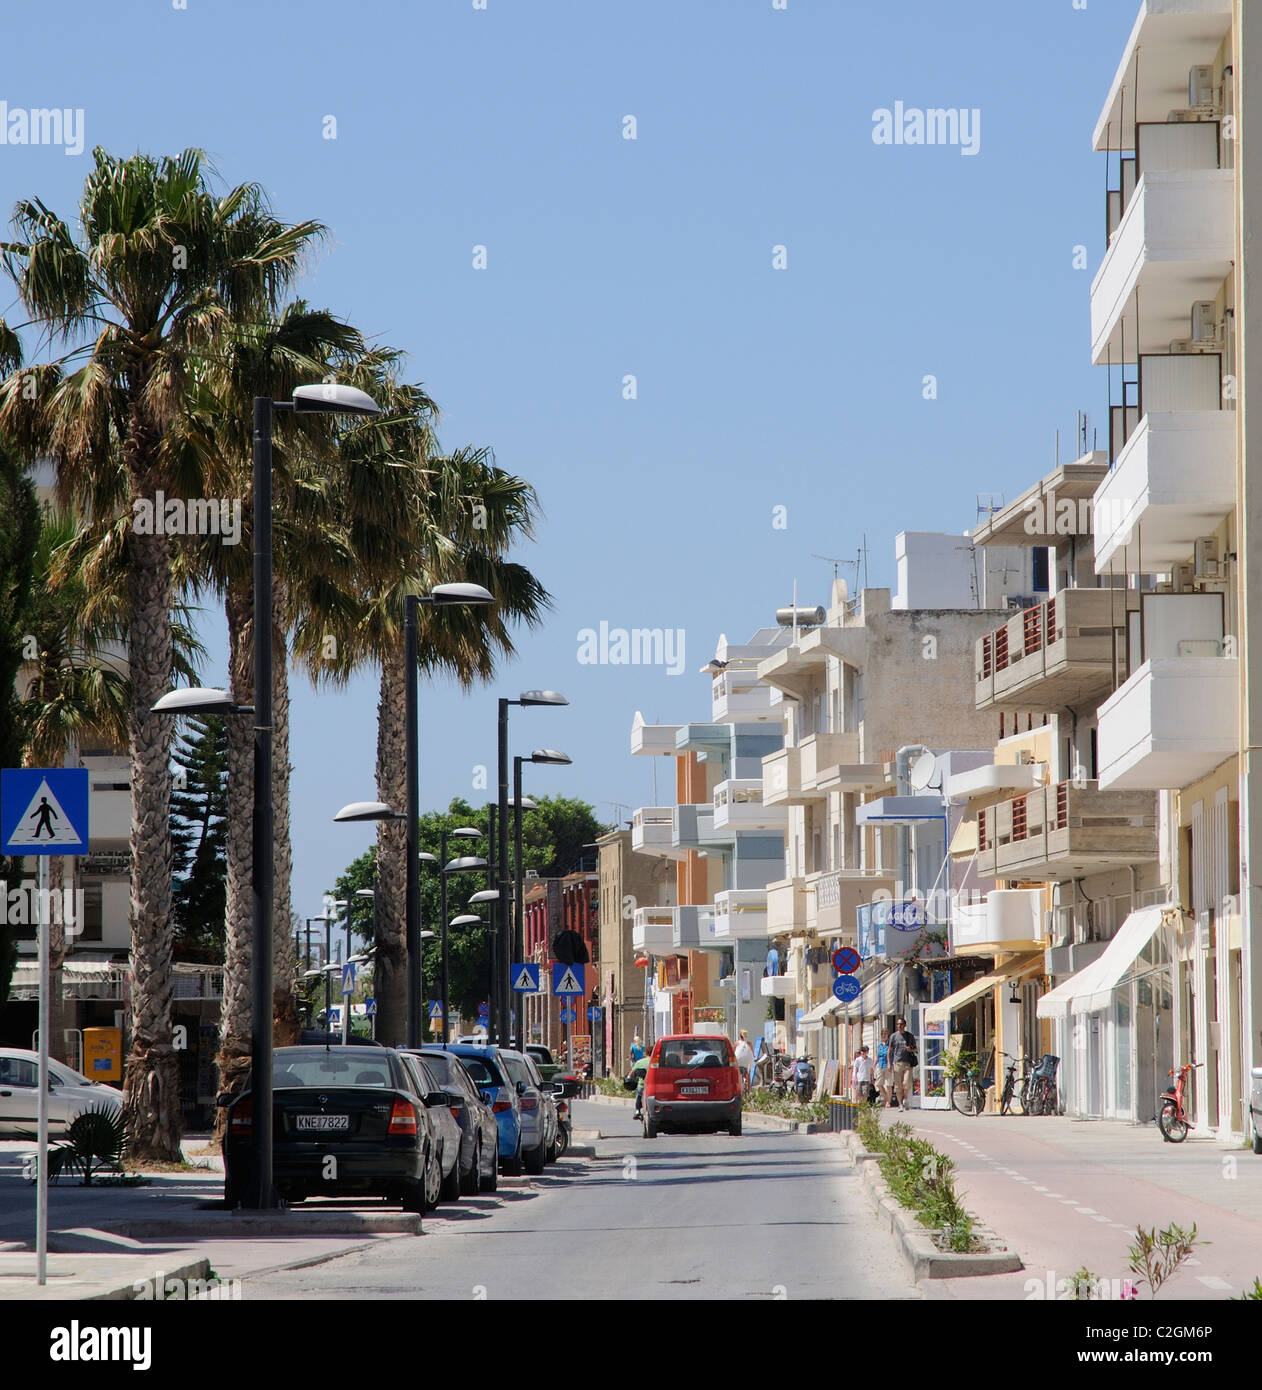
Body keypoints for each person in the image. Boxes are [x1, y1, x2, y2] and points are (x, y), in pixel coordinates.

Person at [888, 1016, 917, 1109]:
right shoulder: (893, 1036)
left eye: (901, 1024)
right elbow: (889, 1051)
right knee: (898, 1086)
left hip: (907, 1063)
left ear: (905, 1025)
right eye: (898, 1024)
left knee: (906, 1083)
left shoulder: (909, 1036)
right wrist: (889, 1063)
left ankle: (906, 1099)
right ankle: (900, 1104)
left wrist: (910, 1049)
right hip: (897, 1063)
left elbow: (916, 1049)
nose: (899, 1026)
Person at [875, 1029, 892, 1107]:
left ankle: (888, 1102)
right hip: (880, 1065)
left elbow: (889, 1055)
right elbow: (877, 1056)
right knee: (878, 1084)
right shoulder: (879, 1045)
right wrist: (873, 1065)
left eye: (885, 1034)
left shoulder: (890, 1045)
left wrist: (889, 1064)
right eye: (882, 1034)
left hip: (887, 1066)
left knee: (888, 1085)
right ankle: (886, 1097)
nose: (884, 1035)